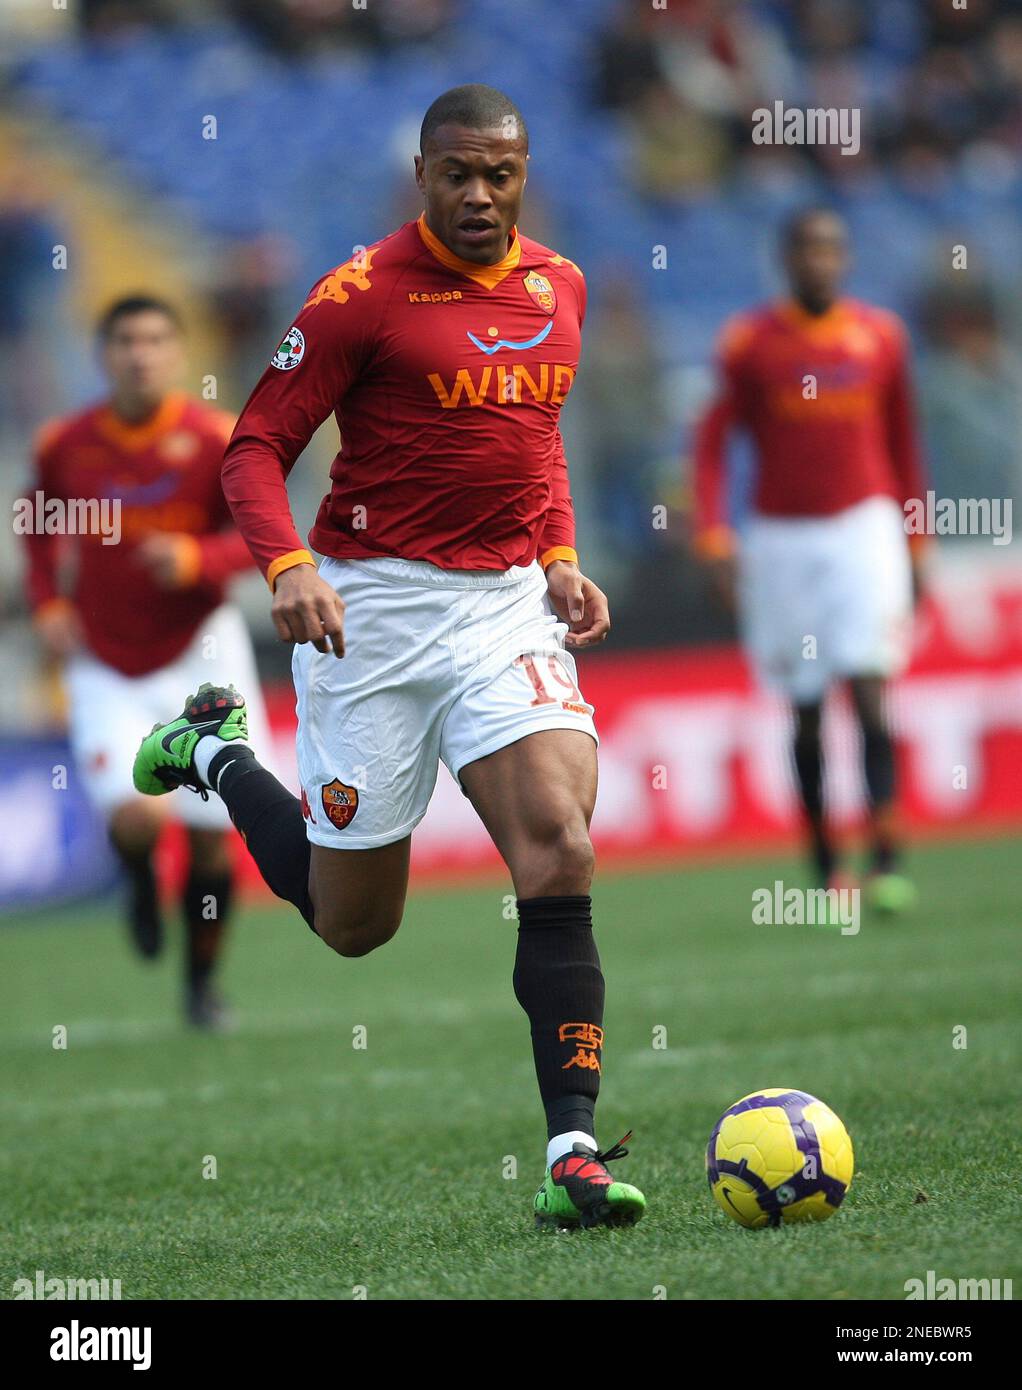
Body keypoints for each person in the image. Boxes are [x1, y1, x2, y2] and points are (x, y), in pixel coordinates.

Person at [131, 86, 645, 1229]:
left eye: (498, 175)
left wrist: (557, 554)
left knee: (559, 845)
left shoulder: (558, 287)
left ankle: (571, 1145)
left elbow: (537, 432)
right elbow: (253, 447)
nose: (477, 194)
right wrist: (287, 569)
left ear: (524, 176)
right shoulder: (358, 295)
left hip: (504, 610)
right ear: (421, 174)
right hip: (367, 611)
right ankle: (216, 756)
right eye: (455, 174)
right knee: (353, 922)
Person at [23, 295, 271, 1026]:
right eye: (127, 340)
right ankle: (137, 882)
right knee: (135, 820)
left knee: (209, 836)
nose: (142, 353)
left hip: (202, 655)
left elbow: (258, 537)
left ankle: (200, 987)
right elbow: (36, 529)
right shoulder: (66, 444)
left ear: (178, 354)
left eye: (157, 340)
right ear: (104, 353)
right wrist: (48, 604)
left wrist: (198, 555)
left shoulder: (214, 438)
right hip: (105, 656)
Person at [692, 208, 926, 910]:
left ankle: (886, 857)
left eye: (830, 249)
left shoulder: (881, 337)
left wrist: (920, 535)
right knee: (804, 706)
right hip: (781, 539)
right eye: (806, 250)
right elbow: (710, 445)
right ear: (786, 260)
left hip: (865, 529)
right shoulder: (749, 344)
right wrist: (714, 535)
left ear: (845, 259)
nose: (819, 261)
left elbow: (904, 443)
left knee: (872, 690)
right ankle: (828, 870)